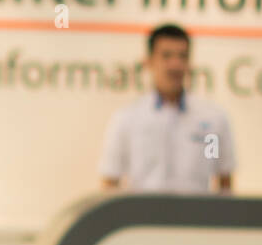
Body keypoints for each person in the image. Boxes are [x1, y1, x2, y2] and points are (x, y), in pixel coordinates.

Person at [98, 23, 234, 194]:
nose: (175, 65)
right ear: (149, 61)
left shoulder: (212, 120)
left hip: (195, 217)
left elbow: (223, 178)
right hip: (144, 218)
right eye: (166, 56)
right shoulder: (128, 118)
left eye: (182, 56)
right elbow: (111, 180)